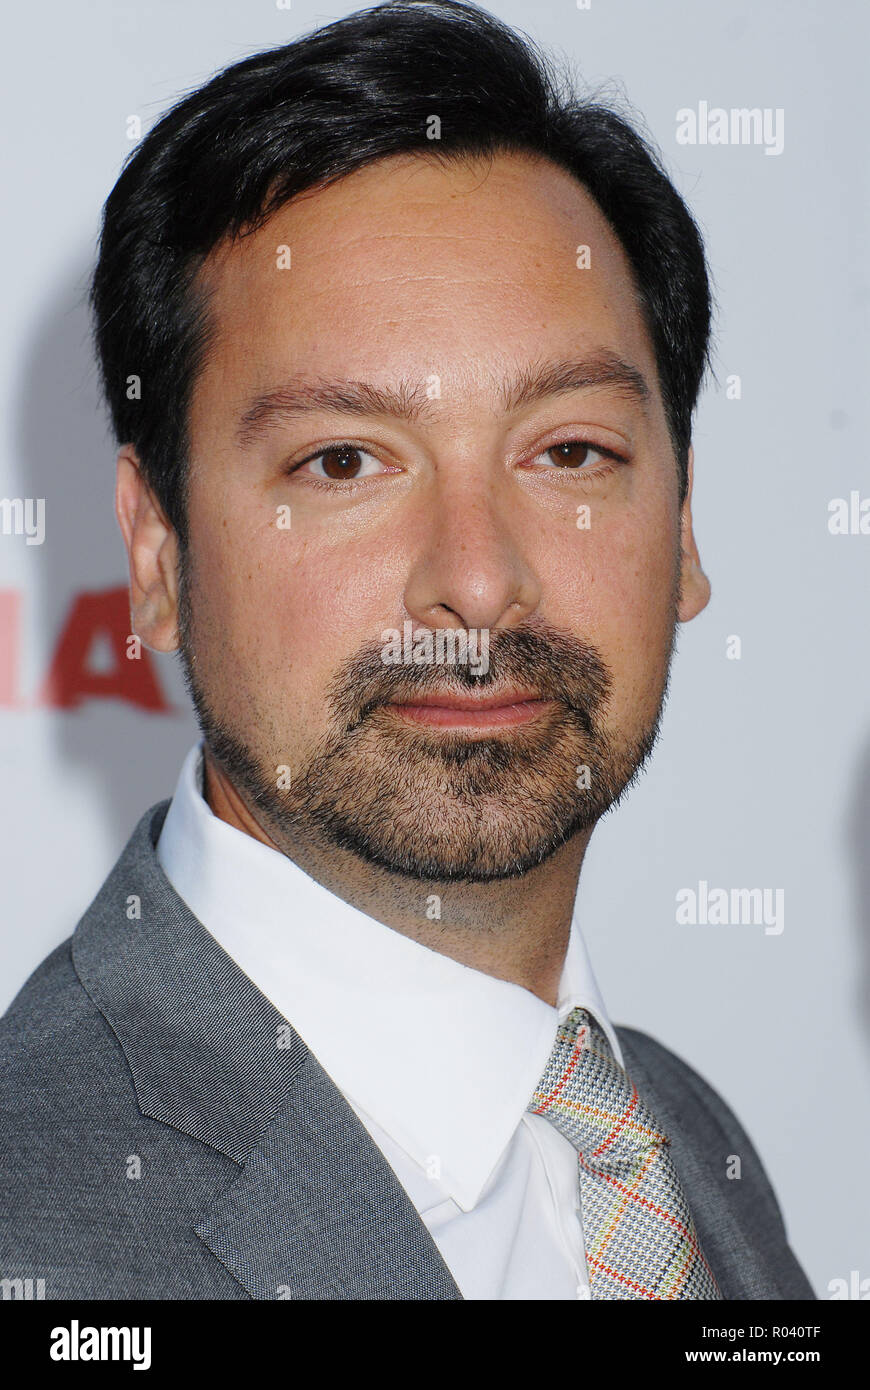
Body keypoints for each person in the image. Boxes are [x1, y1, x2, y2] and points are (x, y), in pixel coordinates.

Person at [0, 0, 813, 1300]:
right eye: (342, 461)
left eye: (569, 452)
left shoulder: (682, 1138)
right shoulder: (40, 1222)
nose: (477, 579)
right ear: (155, 555)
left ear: (685, 525)